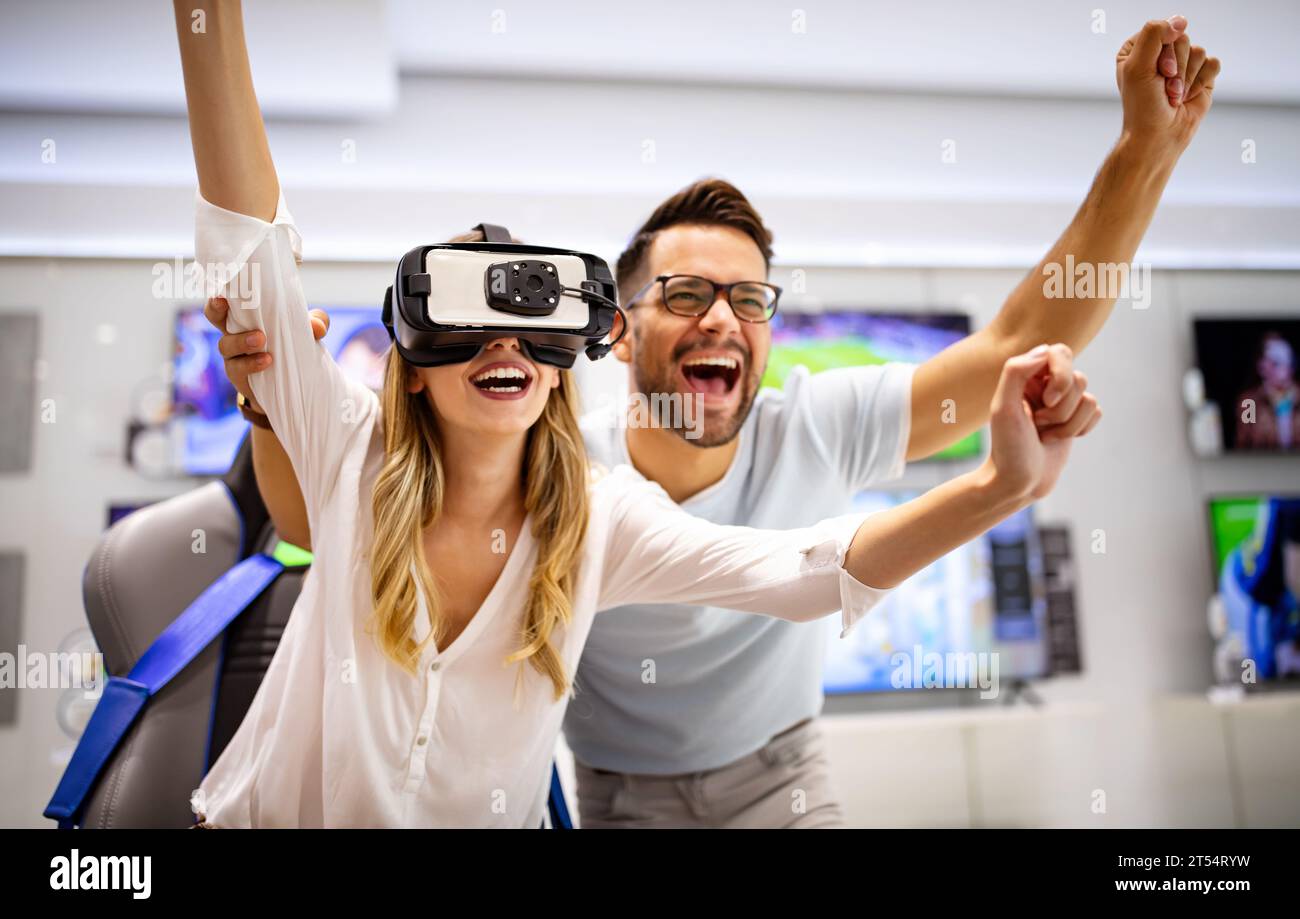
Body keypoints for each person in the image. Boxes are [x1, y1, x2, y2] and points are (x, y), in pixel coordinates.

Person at [205, 9, 1216, 828]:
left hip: (778, 774)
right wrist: (266, 392)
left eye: (749, 299)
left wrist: (1144, 152)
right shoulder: (497, 473)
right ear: (614, 333)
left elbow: (827, 550)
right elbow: (255, 272)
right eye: (686, 295)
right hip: (614, 790)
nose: (722, 318)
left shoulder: (758, 450)